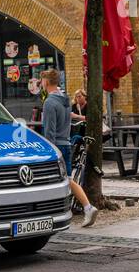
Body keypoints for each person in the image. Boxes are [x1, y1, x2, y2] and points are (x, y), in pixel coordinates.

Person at [41, 69, 98, 227]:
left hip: (56, 146)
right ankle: (87, 207)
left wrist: (48, 151)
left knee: (52, 180)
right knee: (67, 180)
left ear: (46, 82)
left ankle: (52, 213)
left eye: (42, 81)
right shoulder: (65, 99)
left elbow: (49, 131)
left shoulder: (50, 103)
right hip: (66, 143)